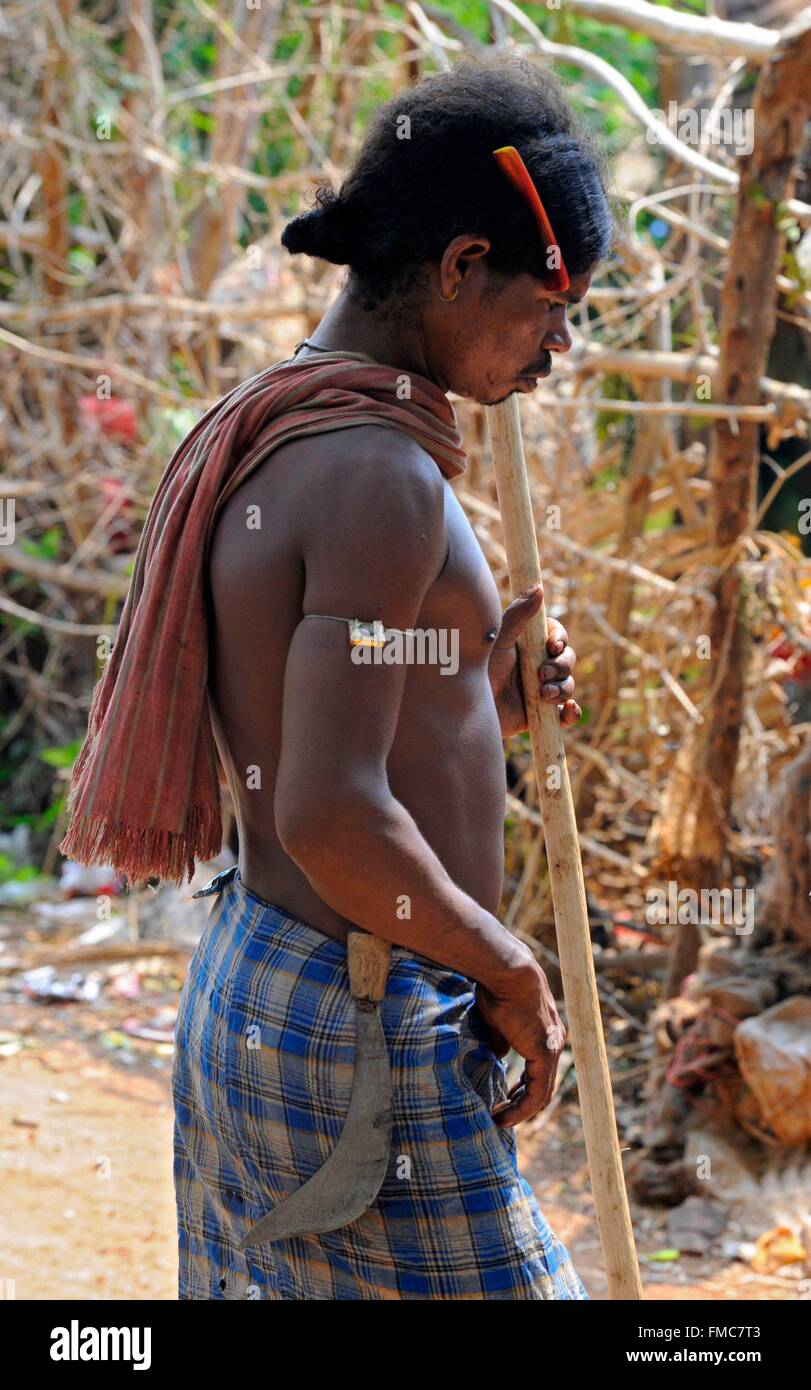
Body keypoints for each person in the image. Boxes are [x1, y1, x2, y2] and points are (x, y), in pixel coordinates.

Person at [64, 55, 613, 1300]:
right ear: (463, 265)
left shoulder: (290, 423)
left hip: (272, 979)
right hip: (358, 1022)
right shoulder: (379, 474)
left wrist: (481, 691)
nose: (557, 350)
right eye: (551, 306)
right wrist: (509, 971)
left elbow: (329, 724)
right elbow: (328, 810)